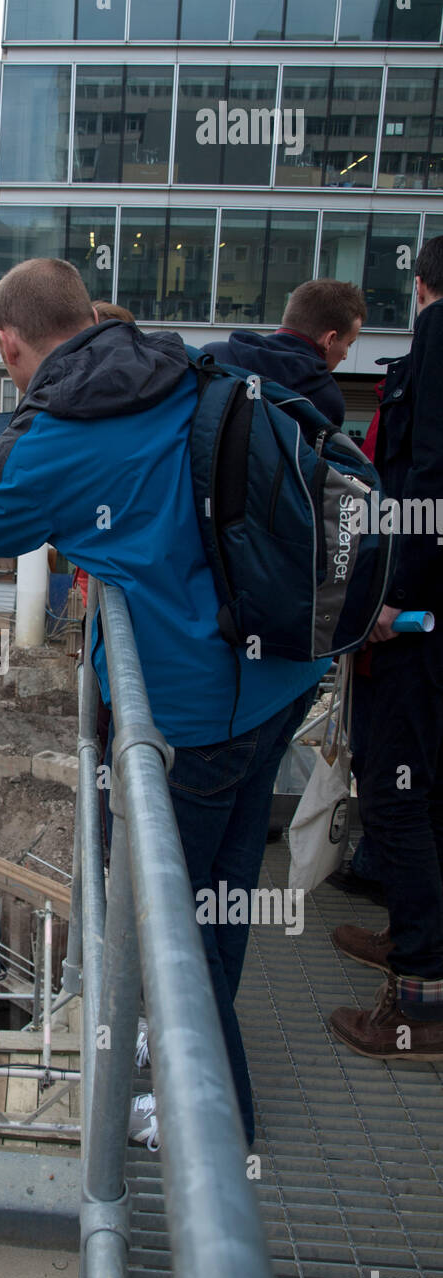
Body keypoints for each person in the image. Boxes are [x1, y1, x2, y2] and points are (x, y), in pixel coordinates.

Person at [0, 258, 329, 1149]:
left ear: (8, 343)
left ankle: (210, 1123)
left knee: (172, 929)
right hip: (274, 687)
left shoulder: (66, 432)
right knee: (217, 900)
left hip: (194, 715)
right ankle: (175, 1058)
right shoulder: (174, 365)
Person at [329, 235, 443, 1056]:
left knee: (398, 797)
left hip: (418, 629)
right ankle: (414, 944)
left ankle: (420, 998)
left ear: (419, 285)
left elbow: (426, 481)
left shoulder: (436, 346)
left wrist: (390, 596)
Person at [201, 279, 367, 427]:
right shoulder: (327, 399)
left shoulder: (212, 356)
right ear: (330, 340)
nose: (345, 355)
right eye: (349, 344)